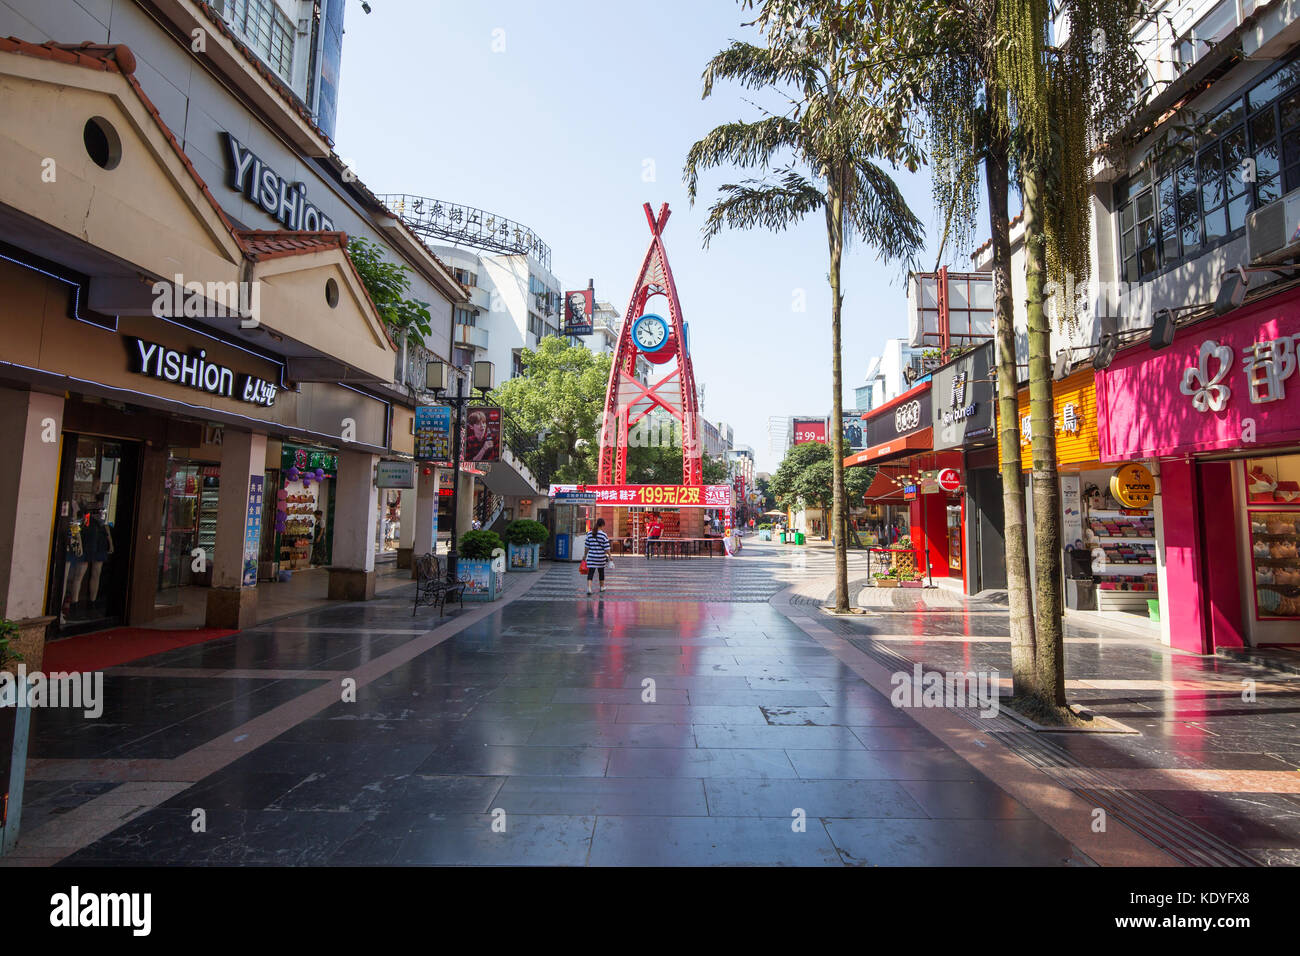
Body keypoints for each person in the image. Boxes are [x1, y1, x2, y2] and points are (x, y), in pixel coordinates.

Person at [584, 517, 611, 595]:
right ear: (602, 525)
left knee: (591, 573)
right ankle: (602, 587)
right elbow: (607, 547)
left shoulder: (589, 533)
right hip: (600, 557)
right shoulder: (604, 535)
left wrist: (585, 555)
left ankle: (589, 588)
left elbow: (586, 546)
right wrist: (610, 556)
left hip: (591, 556)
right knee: (601, 572)